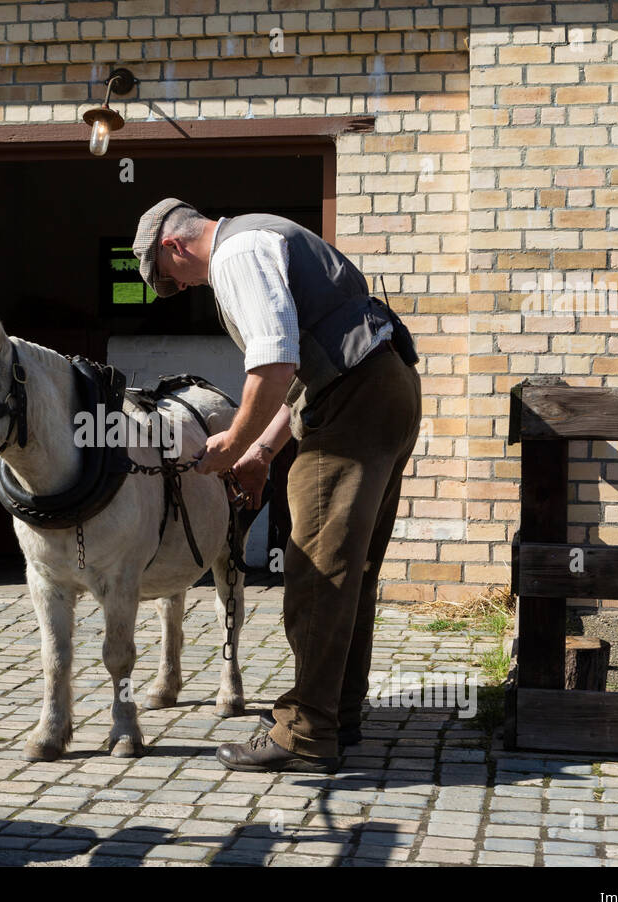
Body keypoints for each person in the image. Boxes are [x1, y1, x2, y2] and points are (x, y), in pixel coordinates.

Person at [132, 198, 423, 774]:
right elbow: (295, 379)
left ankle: (307, 730)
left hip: (352, 402)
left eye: (175, 279)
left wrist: (232, 443)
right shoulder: (269, 237)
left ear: (174, 247)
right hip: (385, 388)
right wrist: (263, 451)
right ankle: (337, 711)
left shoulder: (237, 252)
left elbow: (274, 365)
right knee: (351, 567)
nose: (186, 287)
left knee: (315, 569)